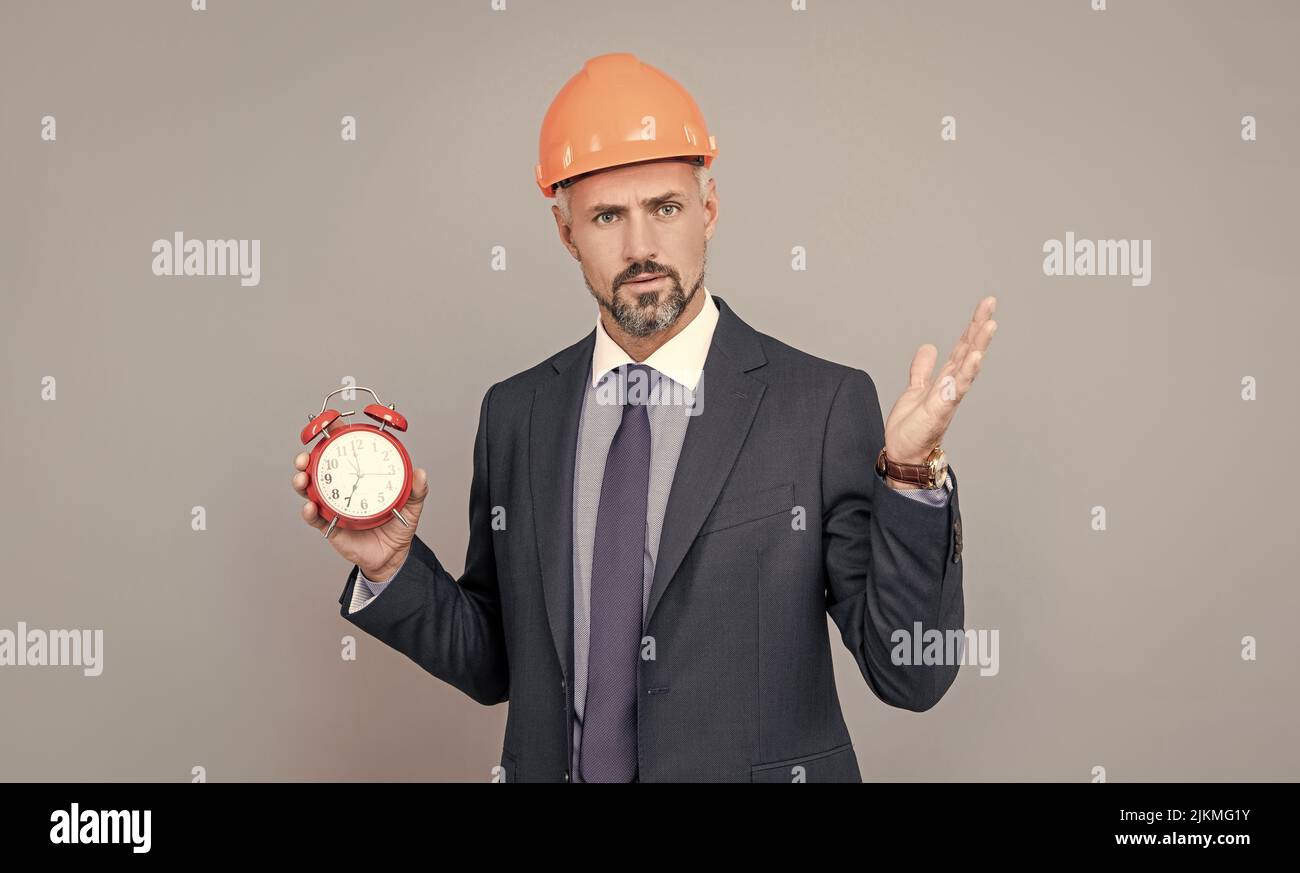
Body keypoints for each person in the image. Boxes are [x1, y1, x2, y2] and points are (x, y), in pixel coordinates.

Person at [290, 52, 996, 782]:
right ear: (567, 234)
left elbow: (908, 674)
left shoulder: (818, 405)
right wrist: (392, 566)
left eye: (665, 207)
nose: (641, 248)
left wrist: (912, 477)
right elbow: (499, 661)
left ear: (709, 210)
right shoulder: (517, 412)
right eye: (606, 216)